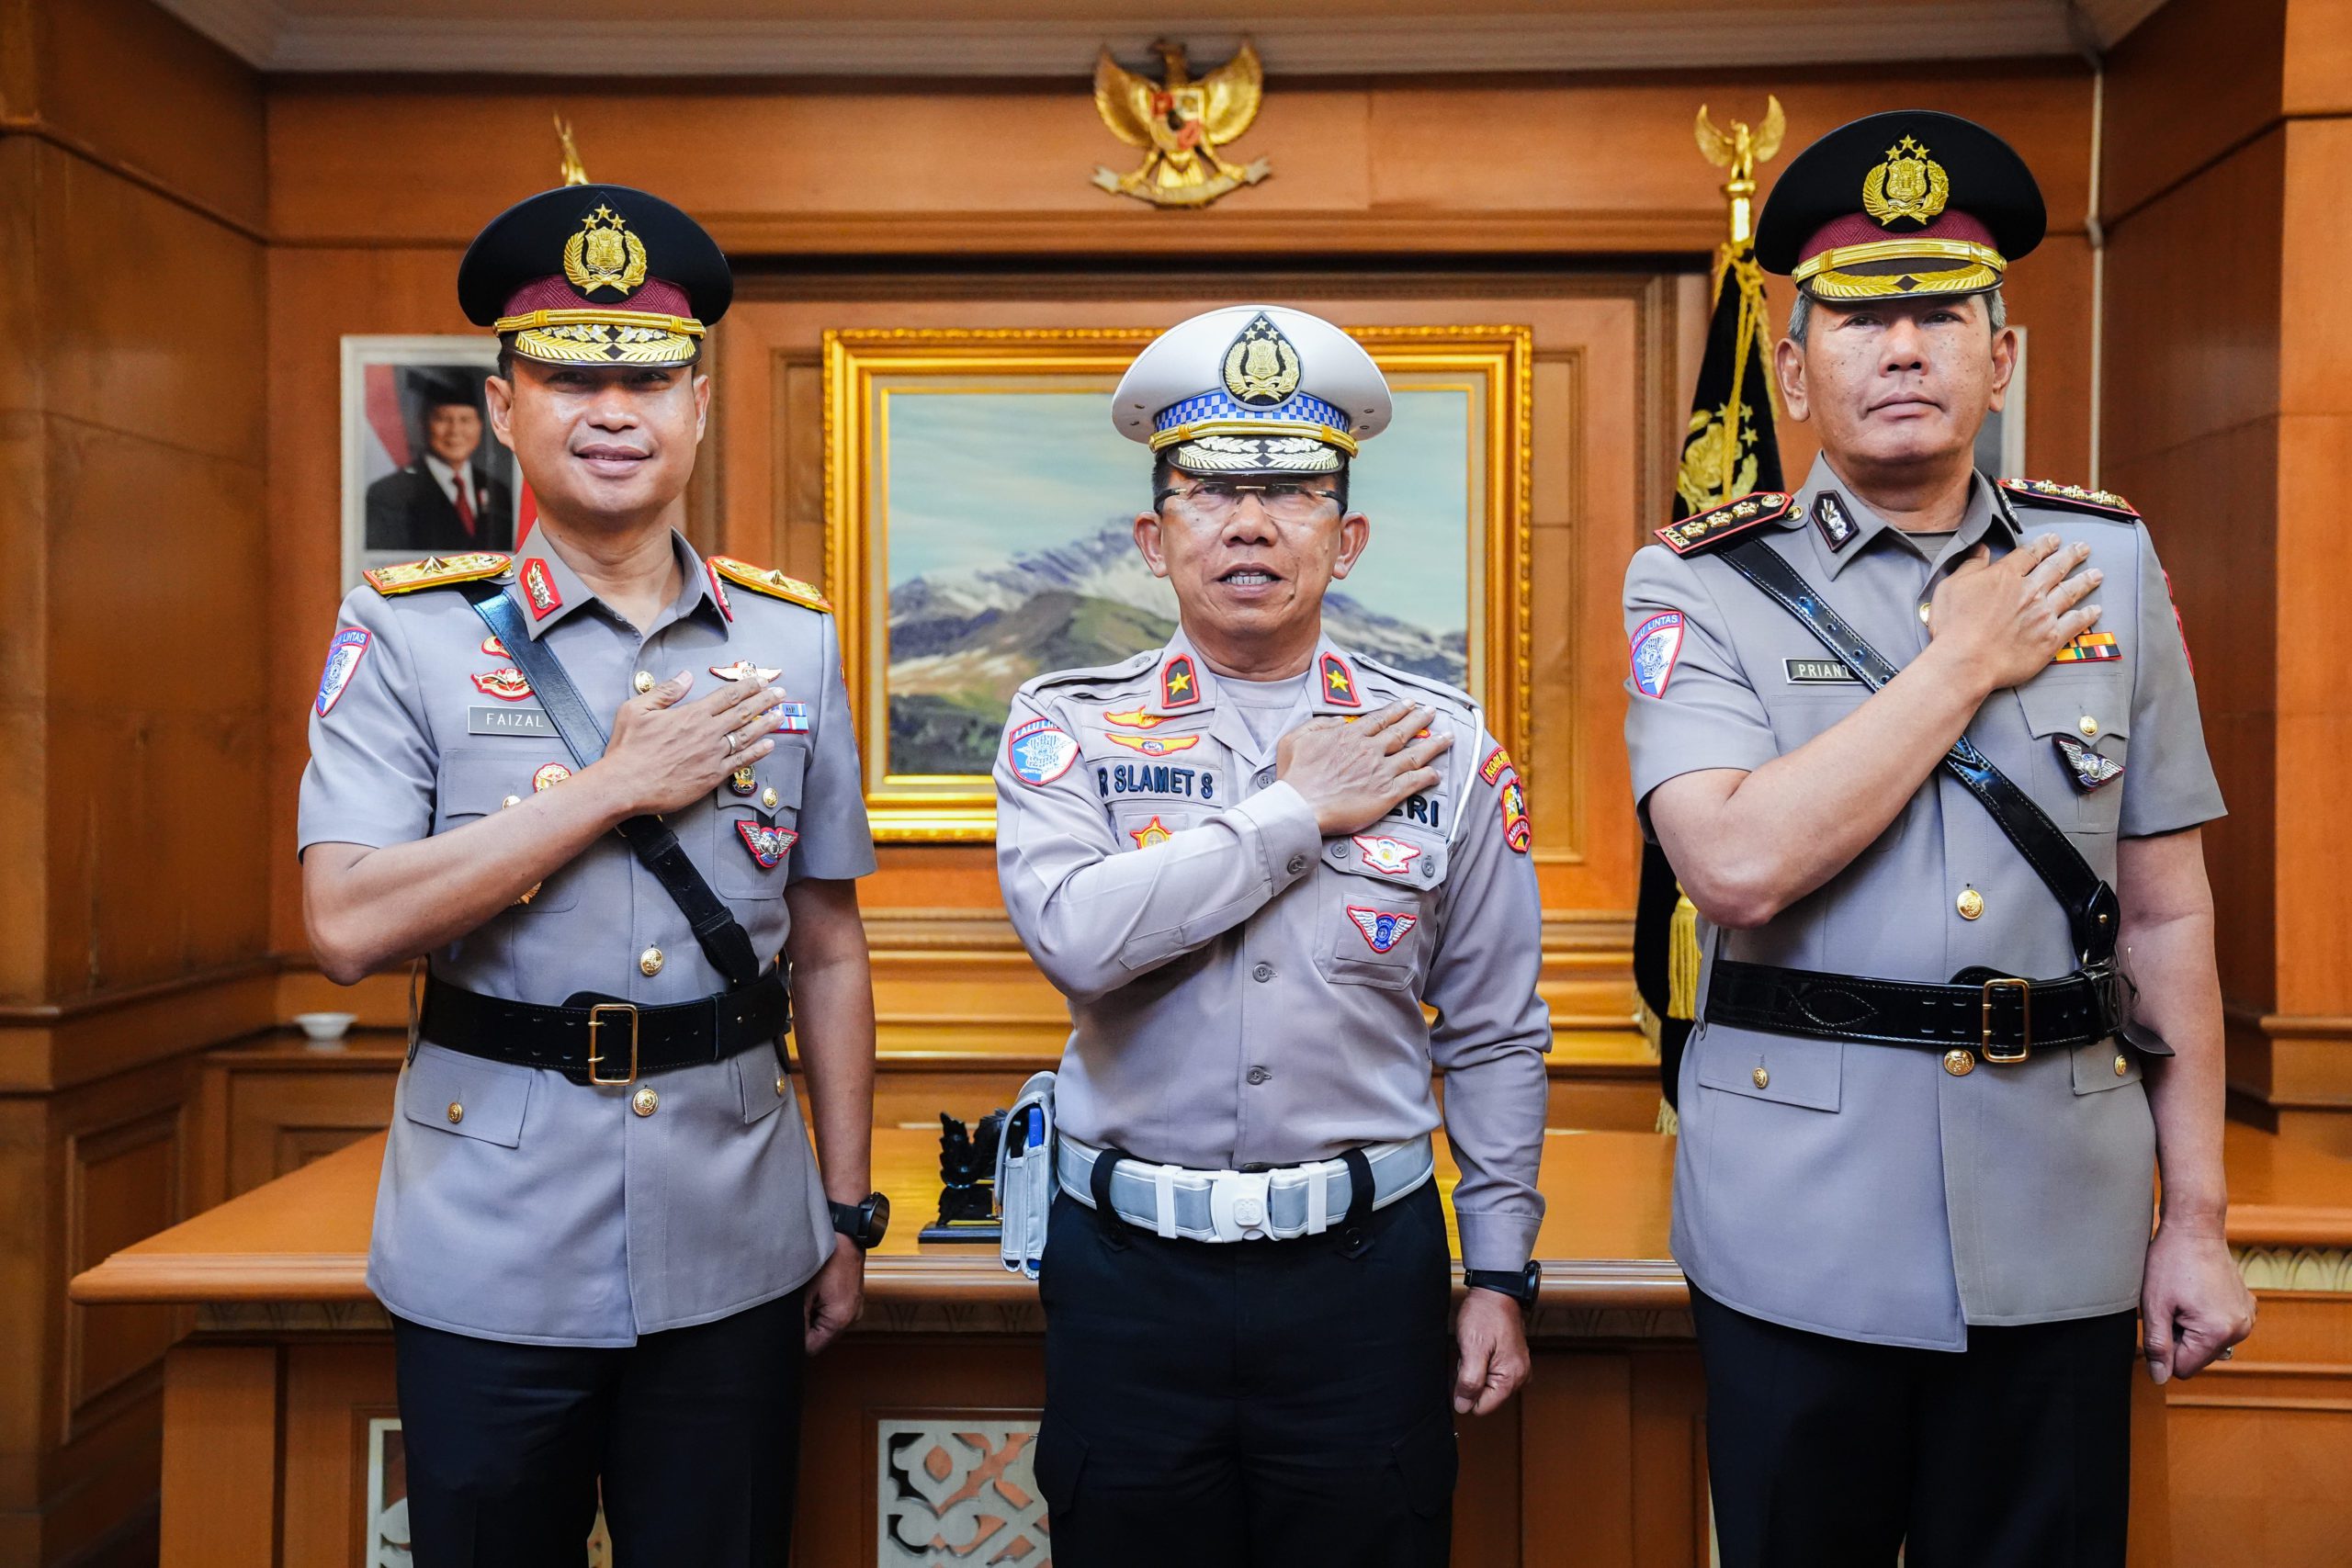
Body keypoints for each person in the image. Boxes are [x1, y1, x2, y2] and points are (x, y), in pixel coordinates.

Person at [1622, 111, 2256, 1566]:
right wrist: (1960, 663)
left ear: (2002, 356)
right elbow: (1733, 862)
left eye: (1939, 313)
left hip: (2062, 1215)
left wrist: (2198, 1217)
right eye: (1859, 319)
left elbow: (2166, 911)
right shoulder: (1700, 583)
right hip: (1798, 1230)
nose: (1902, 348)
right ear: (1792, 368)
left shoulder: (2104, 563)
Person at [299, 183, 889, 1566]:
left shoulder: (790, 639)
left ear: (698, 408)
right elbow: (341, 923)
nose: (611, 408)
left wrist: (847, 1207)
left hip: (736, 1228)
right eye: (569, 375)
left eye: (649, 378)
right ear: (505, 407)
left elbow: (829, 944)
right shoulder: (409, 634)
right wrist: (611, 788)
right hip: (487, 1239)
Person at [995, 304, 1552, 1568]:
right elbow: (1079, 937)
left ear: (1346, 538)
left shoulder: (1443, 744)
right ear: (1154, 536)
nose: (1251, 521)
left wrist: (1502, 1269)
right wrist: (1295, 811)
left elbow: (1498, 1027)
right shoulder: (1067, 725)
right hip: (1129, 1275)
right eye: (1211, 492)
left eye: (1293, 492)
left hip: (1363, 1282)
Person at [366, 376, 515, 552]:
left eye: (465, 420)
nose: (454, 431)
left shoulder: (499, 492)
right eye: (443, 419)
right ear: (423, 424)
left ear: (480, 426)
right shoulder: (389, 494)